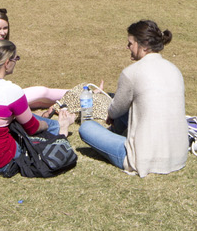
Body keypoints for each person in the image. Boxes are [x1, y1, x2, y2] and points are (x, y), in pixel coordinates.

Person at [77, 20, 189, 177]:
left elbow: (115, 110)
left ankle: (116, 136)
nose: (127, 47)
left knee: (86, 128)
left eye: (130, 43)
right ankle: (118, 133)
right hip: (179, 155)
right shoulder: (174, 69)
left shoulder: (132, 72)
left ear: (143, 45)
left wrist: (111, 115)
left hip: (142, 159)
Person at [0, 40, 70, 176]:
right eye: (16, 58)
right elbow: (32, 128)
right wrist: (46, 124)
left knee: (18, 118)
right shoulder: (12, 91)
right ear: (7, 63)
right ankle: (61, 127)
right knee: (36, 125)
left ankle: (58, 126)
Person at [0, 8, 65, 108]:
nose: (3, 32)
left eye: (5, 28)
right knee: (42, 92)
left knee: (39, 101)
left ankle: (66, 100)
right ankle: (75, 93)